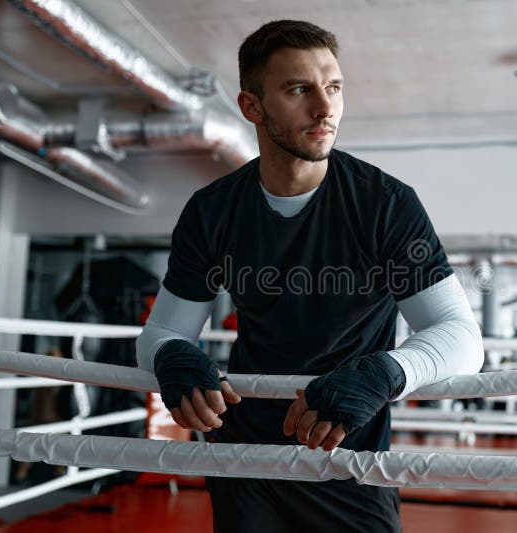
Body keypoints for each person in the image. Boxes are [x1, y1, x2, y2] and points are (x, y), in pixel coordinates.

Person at [136, 20, 484, 533]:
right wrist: (174, 358)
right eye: (300, 89)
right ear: (251, 107)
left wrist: (383, 373)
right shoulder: (212, 211)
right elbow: (163, 332)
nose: (326, 108)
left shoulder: (384, 204)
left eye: (334, 87)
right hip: (244, 457)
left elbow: (462, 337)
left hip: (345, 449)